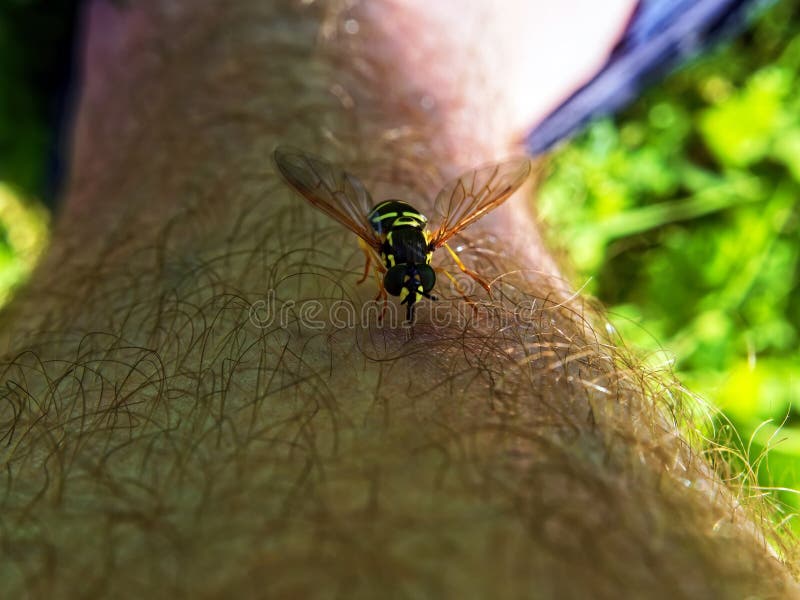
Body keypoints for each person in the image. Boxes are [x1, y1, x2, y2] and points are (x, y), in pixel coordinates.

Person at [0, 0, 795, 597]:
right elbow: (373, 230)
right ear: (391, 262)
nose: (411, 290)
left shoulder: (433, 250)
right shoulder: (380, 243)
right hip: (389, 215)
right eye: (404, 280)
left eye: (410, 282)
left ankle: (213, 63)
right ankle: (391, 80)